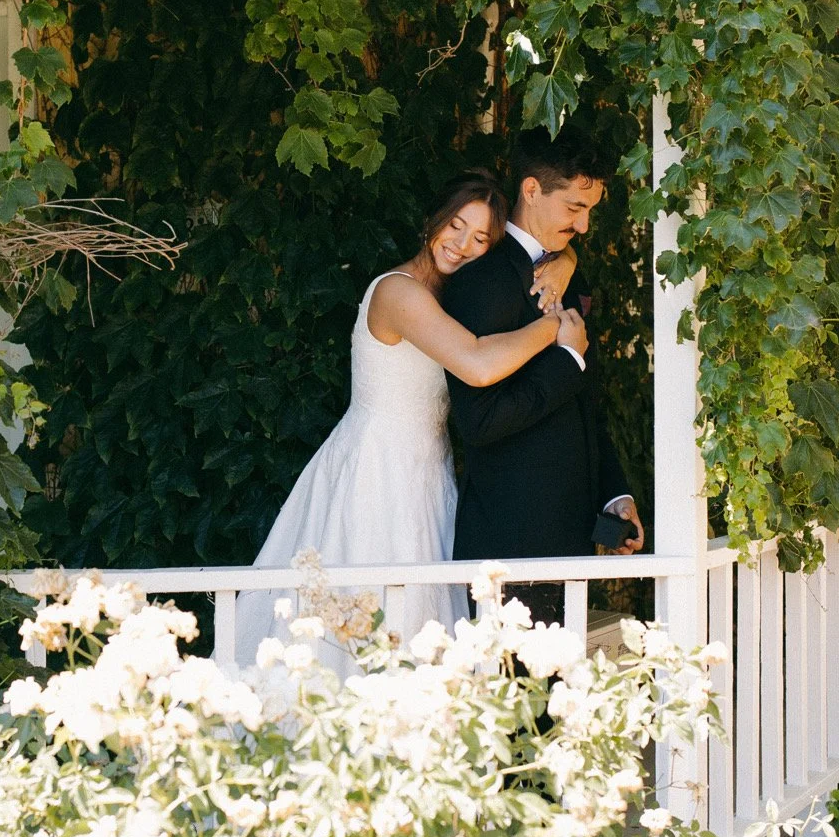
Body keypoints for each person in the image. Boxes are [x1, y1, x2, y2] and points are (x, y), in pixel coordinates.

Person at [238, 172, 588, 666]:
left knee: (424, 622)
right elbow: (477, 363)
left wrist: (567, 261)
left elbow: (546, 258)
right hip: (376, 472)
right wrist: (557, 327)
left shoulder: (453, 296)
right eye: (455, 226)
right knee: (363, 619)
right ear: (431, 221)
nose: (462, 244)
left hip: (428, 472)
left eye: (481, 238)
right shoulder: (398, 292)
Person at [441, 127, 644, 626]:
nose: (584, 225)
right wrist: (566, 361)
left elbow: (586, 404)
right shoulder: (482, 281)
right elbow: (480, 422)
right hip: (510, 544)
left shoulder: (567, 272)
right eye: (575, 207)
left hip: (570, 540)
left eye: (590, 210)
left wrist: (615, 495)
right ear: (531, 190)